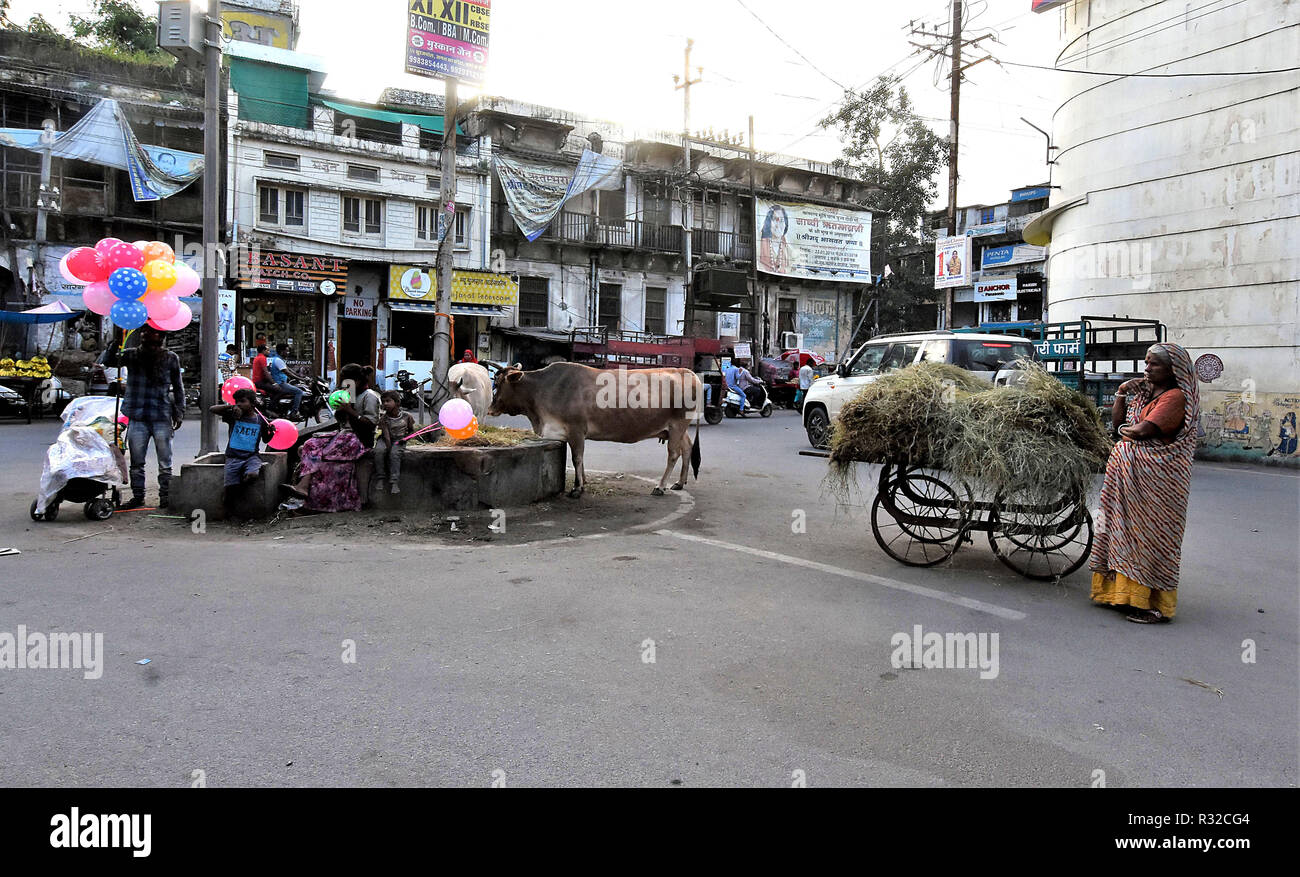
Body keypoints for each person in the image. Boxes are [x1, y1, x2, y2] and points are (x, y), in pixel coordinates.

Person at [1089, 343, 1200, 624]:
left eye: (1154, 365)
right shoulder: (1145, 395)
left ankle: (1150, 606)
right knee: (1122, 534)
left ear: (1173, 370)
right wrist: (1121, 393)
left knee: (1147, 537)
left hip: (1155, 482)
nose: (1147, 369)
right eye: (1146, 363)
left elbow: (1142, 431)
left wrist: (1126, 434)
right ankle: (1122, 595)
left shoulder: (1175, 397)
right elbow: (1118, 424)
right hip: (1128, 479)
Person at [103, 326, 185, 509]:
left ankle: (165, 497)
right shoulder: (131, 355)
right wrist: (116, 342)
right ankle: (138, 496)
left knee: (165, 462)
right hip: (137, 416)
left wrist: (179, 411)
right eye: (144, 332)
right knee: (136, 462)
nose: (145, 334)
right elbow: (108, 361)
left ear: (161, 337)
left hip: (161, 415)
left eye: (152, 332)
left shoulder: (171, 358)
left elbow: (178, 388)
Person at [209, 388, 274, 520]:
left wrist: (271, 431)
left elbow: (266, 440)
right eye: (237, 402)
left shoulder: (260, 420)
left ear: (253, 403)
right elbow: (212, 409)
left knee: (252, 475)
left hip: (252, 457)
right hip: (233, 457)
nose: (239, 404)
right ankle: (228, 512)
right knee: (229, 489)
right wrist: (231, 407)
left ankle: (241, 491)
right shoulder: (234, 416)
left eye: (242, 401)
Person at [375, 390, 416, 495]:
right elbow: (386, 436)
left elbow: (412, 431)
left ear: (397, 402)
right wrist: (388, 447)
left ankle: (394, 482)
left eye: (388, 401)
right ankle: (380, 477)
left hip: (399, 440)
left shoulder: (407, 416)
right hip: (385, 439)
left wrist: (406, 439)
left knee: (395, 454)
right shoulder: (384, 419)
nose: (385, 404)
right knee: (379, 451)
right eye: (383, 401)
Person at [268, 342, 305, 420]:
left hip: (282, 382)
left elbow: (290, 370)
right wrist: (301, 379)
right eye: (287, 351)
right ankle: (294, 413)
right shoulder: (278, 360)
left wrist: (299, 375)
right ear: (282, 352)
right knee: (299, 392)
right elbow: (287, 372)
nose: (288, 353)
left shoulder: (279, 360)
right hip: (280, 383)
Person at [758, 205, 792, 274]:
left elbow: (792, 267)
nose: (778, 225)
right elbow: (757, 263)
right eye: (774, 219)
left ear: (786, 224)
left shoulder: (788, 248)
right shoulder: (759, 240)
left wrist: (784, 270)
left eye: (782, 220)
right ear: (768, 222)